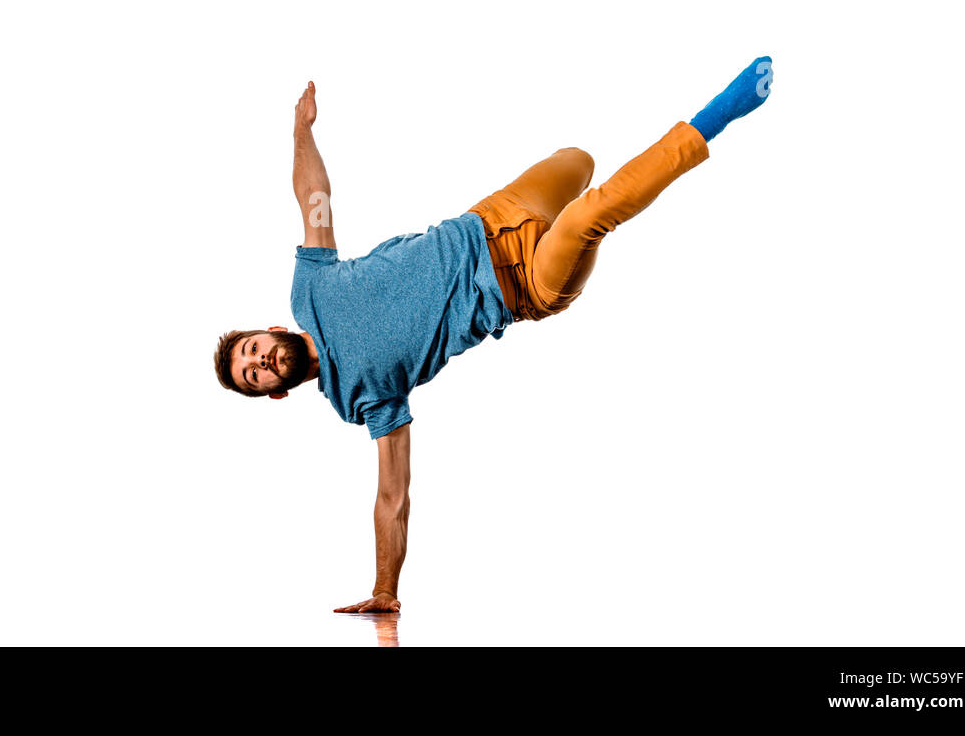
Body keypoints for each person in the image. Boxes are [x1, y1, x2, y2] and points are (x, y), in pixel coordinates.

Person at [212, 58, 773, 613]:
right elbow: (391, 497)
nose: (261, 361)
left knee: (578, 160)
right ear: (274, 394)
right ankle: (718, 115)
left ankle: (593, 174)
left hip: (494, 217)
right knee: (587, 215)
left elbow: (314, 198)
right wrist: (386, 588)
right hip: (527, 284)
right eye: (254, 375)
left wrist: (300, 129)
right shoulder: (358, 399)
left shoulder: (310, 290)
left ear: (273, 330)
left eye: (252, 349)